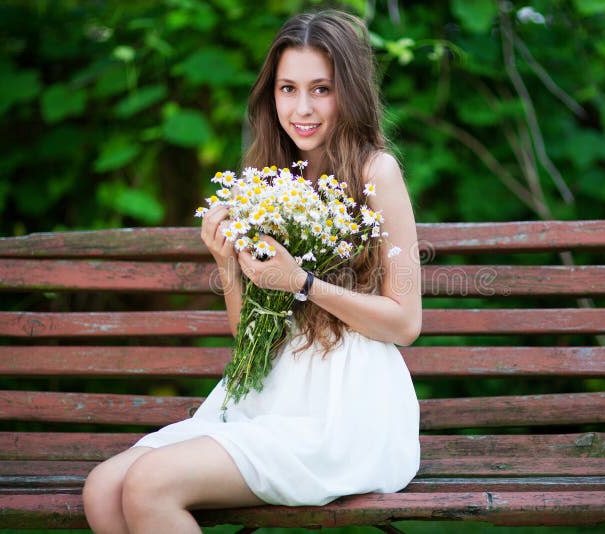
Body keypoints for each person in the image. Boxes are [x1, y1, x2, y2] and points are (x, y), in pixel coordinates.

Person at [82, 9, 422, 533]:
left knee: (151, 483)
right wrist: (228, 266)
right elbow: (252, 340)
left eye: (321, 89)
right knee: (104, 489)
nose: (302, 108)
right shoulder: (267, 179)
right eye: (287, 88)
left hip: (347, 411)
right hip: (272, 395)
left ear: (349, 93)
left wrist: (304, 283)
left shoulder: (375, 171)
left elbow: (404, 323)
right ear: (271, 94)